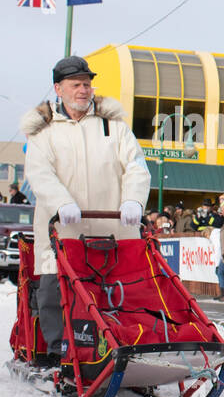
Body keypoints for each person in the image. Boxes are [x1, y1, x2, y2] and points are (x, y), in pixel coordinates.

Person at [20, 55, 151, 360]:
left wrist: (133, 199)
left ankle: (114, 346)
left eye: (87, 84)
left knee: (114, 293)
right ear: (58, 88)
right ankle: (58, 352)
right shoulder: (44, 132)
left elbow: (135, 165)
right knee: (55, 290)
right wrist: (62, 202)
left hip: (111, 229)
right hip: (61, 228)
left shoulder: (113, 126)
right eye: (76, 84)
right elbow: (40, 173)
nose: (83, 89)